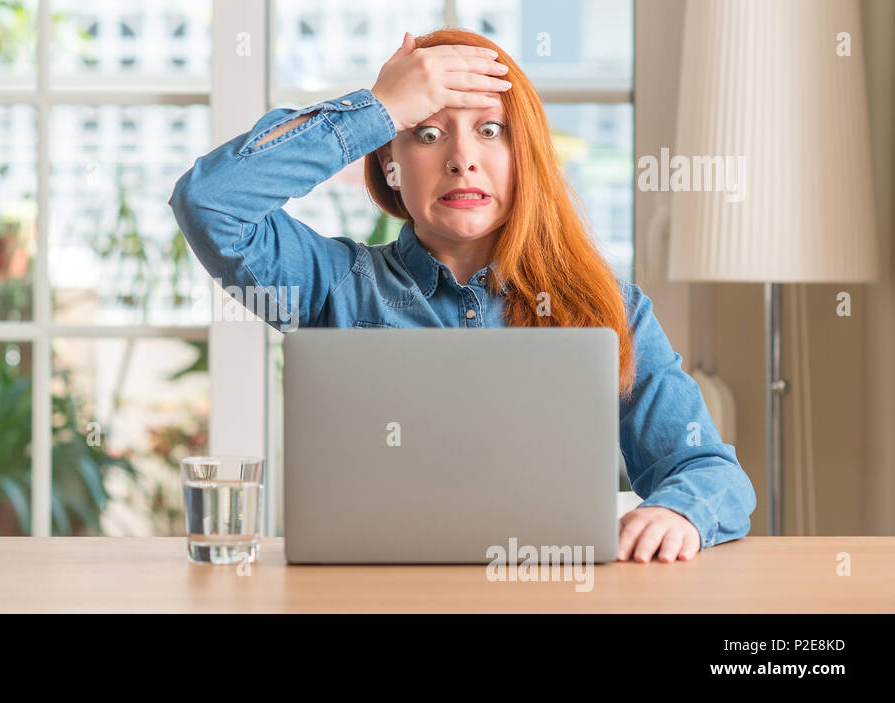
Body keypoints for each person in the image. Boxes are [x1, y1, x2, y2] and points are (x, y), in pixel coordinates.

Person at [168, 28, 755, 564]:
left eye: (491, 131)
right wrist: (378, 109)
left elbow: (707, 469)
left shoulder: (613, 309)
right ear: (391, 166)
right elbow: (210, 202)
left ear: (524, 159)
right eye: (425, 133)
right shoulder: (334, 286)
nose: (461, 159)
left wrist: (677, 512)